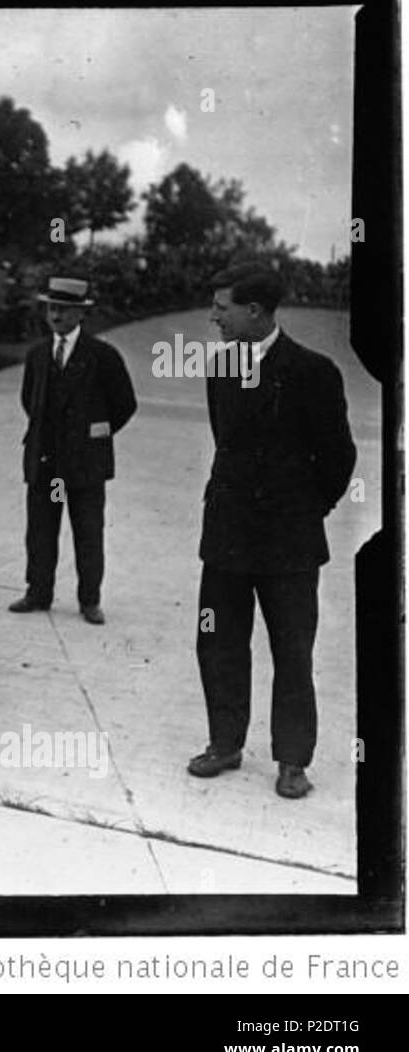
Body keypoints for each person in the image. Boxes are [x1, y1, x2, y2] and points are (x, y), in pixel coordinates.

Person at [187, 263, 357, 799]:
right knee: (218, 642)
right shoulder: (220, 368)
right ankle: (225, 743)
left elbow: (337, 458)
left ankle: (292, 761)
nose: (213, 317)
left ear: (254, 311)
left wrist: (304, 511)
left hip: (289, 543)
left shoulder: (314, 371)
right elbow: (227, 444)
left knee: (292, 650)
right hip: (228, 537)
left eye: (222, 307)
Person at [9, 276, 137, 625]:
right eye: (52, 308)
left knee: (88, 532)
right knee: (40, 531)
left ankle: (90, 600)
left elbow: (124, 404)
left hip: (85, 465)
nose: (56, 316)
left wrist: (96, 434)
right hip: (45, 461)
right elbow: (29, 400)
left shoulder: (102, 356)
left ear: (81, 315)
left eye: (65, 310)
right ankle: (38, 592)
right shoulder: (37, 354)